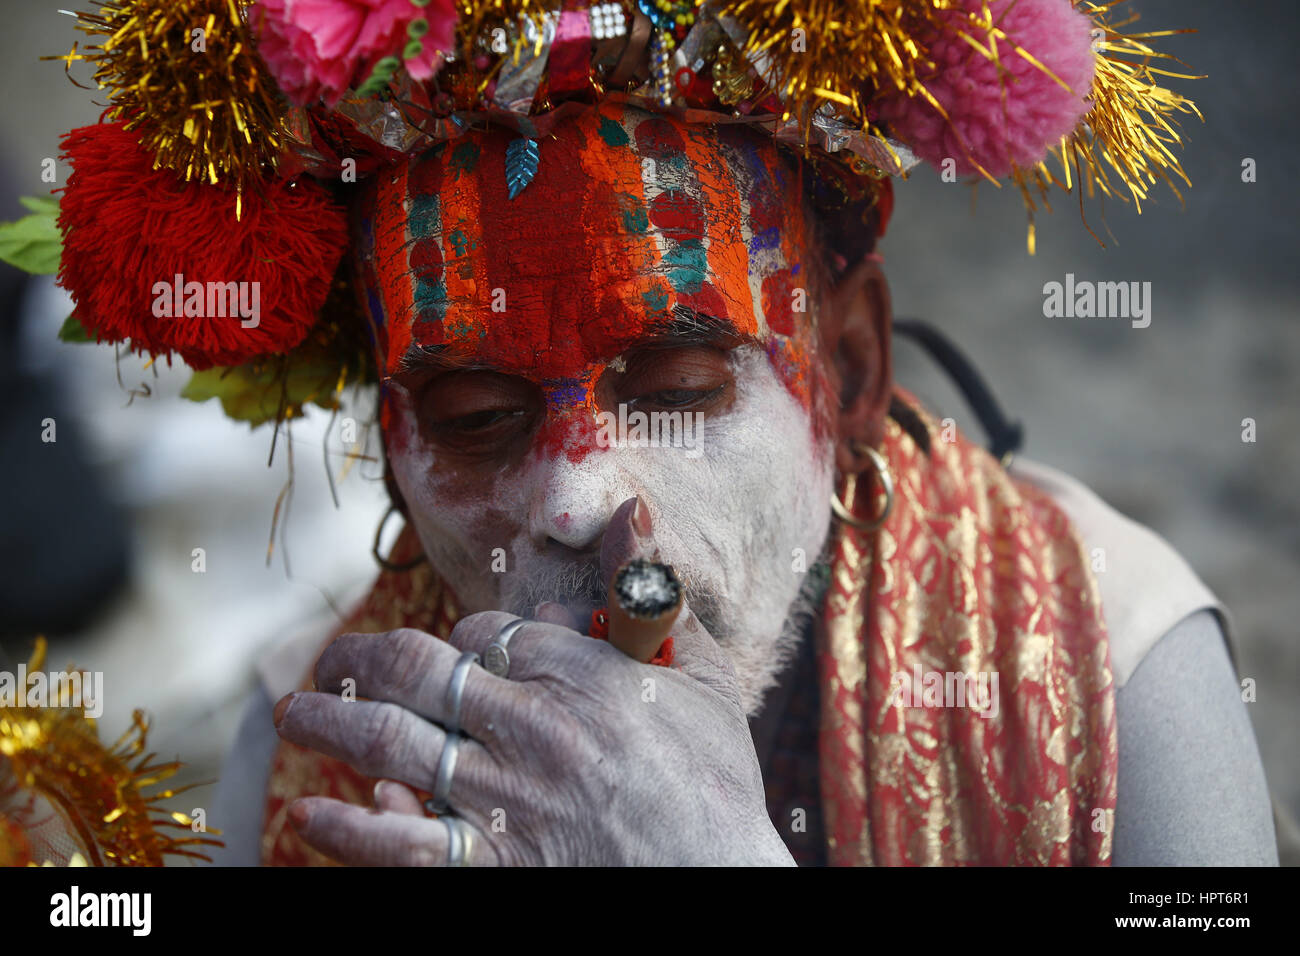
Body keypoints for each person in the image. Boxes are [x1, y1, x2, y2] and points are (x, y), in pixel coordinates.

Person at [7, 0, 1280, 866]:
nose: (572, 496)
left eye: (675, 382)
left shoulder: (1118, 679)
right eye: (476, 416)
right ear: (390, 449)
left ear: (843, 368)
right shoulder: (297, 754)